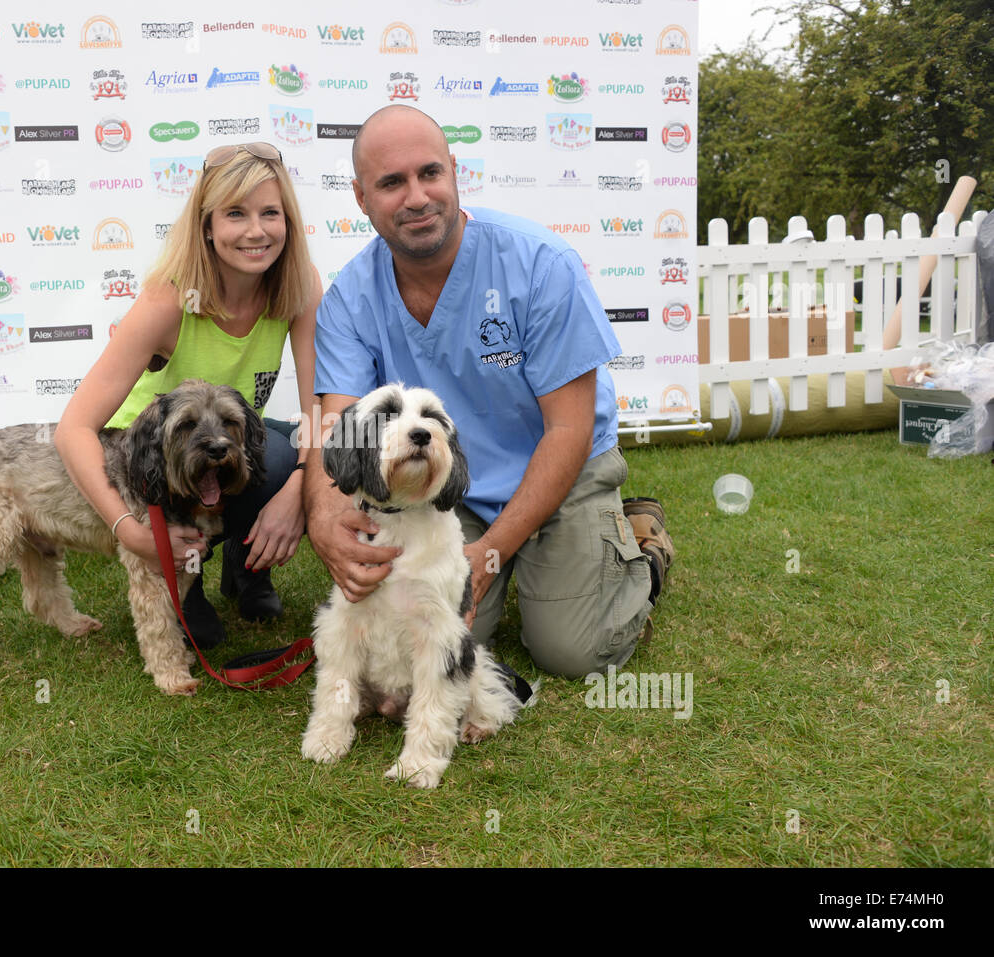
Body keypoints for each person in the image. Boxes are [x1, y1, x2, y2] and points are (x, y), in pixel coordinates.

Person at [305, 105, 674, 679]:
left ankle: (642, 551)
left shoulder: (541, 264)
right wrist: (324, 516)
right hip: (444, 487)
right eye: (391, 183)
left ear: (455, 171)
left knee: (571, 653)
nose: (418, 197)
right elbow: (337, 427)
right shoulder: (350, 296)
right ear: (360, 197)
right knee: (431, 643)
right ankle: (546, 565)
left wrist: (493, 551)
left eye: (430, 173)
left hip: (563, 465)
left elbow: (569, 429)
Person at [56, 142, 321, 647]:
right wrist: (130, 532)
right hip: (153, 462)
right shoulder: (169, 299)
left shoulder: (299, 287)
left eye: (271, 213)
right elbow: (74, 429)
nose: (256, 231)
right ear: (207, 224)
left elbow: (317, 407)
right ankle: (182, 567)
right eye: (235, 214)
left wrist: (299, 491)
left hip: (223, 442)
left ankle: (246, 572)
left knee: (282, 456)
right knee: (205, 639)